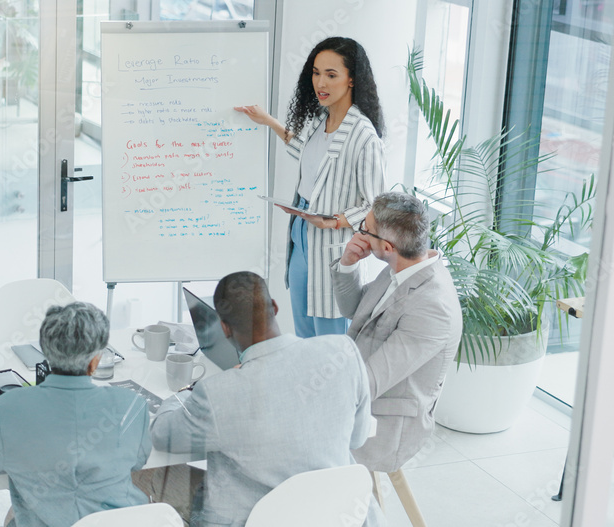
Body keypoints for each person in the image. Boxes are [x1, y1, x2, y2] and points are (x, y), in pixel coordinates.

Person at [150, 271, 383, 527]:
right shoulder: (343, 352)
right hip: (336, 516)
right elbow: (358, 438)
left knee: (152, 477)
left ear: (224, 328)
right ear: (274, 306)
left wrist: (183, 392)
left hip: (249, 520)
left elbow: (161, 435)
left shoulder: (218, 393)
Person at [235, 36, 386, 338]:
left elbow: (376, 205)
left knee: (330, 336)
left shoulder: (364, 136)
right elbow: (305, 153)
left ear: (352, 79)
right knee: (304, 330)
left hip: (333, 243)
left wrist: (333, 221)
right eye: (316, 73)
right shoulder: (321, 119)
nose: (321, 82)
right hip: (301, 233)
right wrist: (269, 122)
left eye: (331, 75)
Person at [0, 302, 152, 527]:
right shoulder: (132, 406)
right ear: (95, 361)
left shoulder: (9, 408)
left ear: (46, 352)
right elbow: (138, 461)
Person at [330, 192, 462, 473]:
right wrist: (348, 263)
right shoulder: (403, 267)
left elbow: (368, 383)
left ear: (388, 246)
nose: (359, 235)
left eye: (365, 230)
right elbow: (353, 307)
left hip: (383, 428)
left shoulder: (432, 307)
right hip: (357, 394)